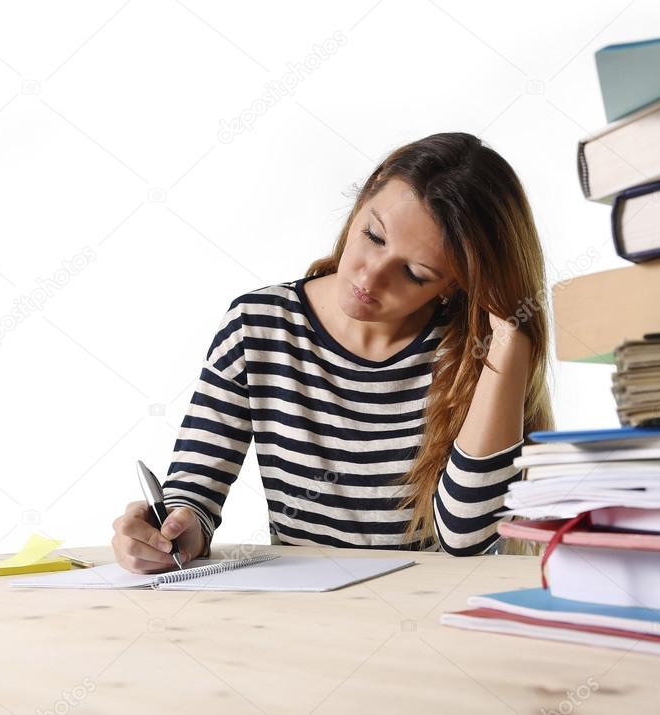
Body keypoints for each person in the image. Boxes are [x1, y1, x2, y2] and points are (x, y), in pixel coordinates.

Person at [111, 132, 554, 573]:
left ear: (454, 284)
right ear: (363, 198)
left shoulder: (476, 351)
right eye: (373, 236)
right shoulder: (258, 325)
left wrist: (513, 337)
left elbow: (467, 538)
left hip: (429, 613)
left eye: (416, 273)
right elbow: (193, 495)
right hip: (306, 617)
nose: (370, 277)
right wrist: (176, 531)